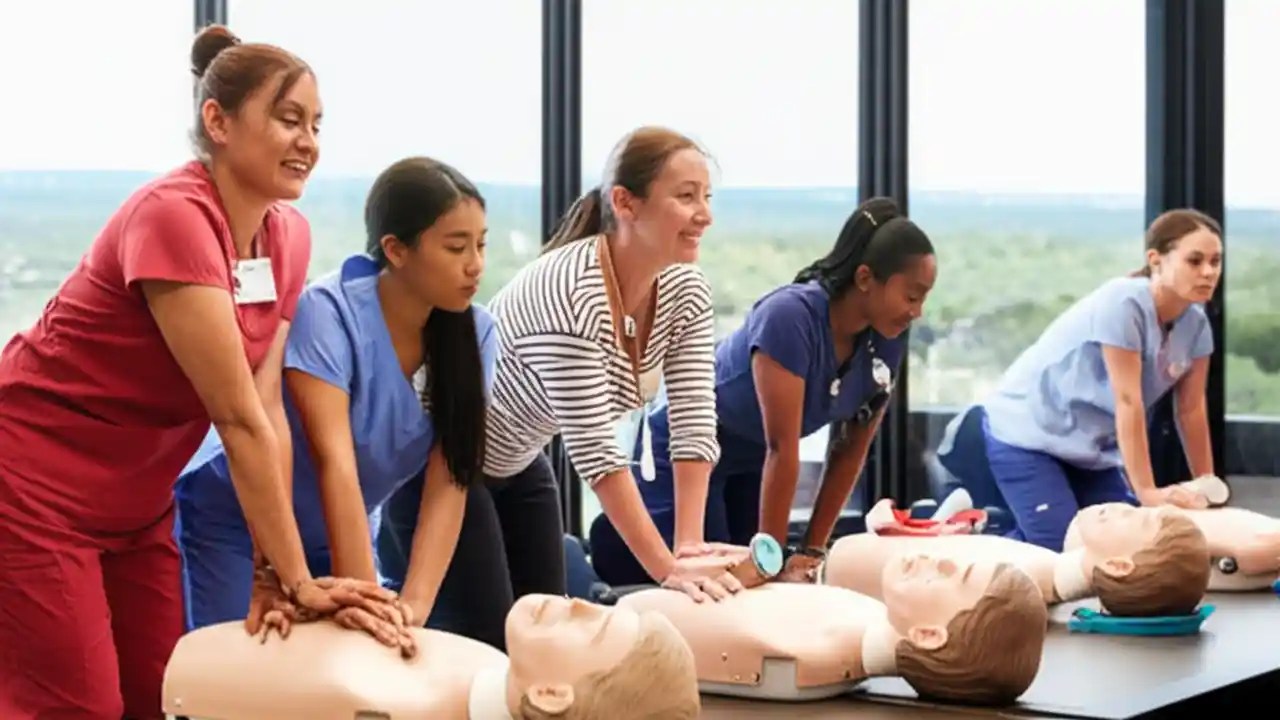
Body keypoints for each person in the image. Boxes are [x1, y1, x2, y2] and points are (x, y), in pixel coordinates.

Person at [0, 25, 393, 719]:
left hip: (136, 502)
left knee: (162, 694)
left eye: (316, 124)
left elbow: (265, 411)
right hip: (32, 486)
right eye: (289, 119)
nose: (308, 141)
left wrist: (272, 568)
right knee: (78, 705)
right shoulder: (173, 217)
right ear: (218, 121)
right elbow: (234, 419)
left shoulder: (288, 237)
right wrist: (301, 581)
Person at [379, 126, 741, 652]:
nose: (704, 214)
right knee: (489, 643)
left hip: (519, 462)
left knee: (546, 639)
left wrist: (689, 548)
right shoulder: (571, 290)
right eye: (686, 196)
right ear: (625, 203)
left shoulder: (685, 288)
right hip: (440, 464)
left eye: (707, 197)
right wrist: (667, 570)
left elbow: (694, 421)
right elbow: (598, 456)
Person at [176, 156, 494, 632]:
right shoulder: (329, 313)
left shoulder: (478, 335)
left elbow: (451, 477)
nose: (476, 265)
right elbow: (335, 463)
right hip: (239, 520)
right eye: (456, 247)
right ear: (396, 250)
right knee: (249, 664)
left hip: (337, 529)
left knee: (366, 654)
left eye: (481, 244)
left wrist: (412, 607)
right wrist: (369, 603)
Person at [589, 197, 937, 586]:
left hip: (750, 455)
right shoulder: (789, 317)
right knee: (712, 580)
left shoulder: (887, 338)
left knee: (749, 583)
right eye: (911, 296)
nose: (917, 312)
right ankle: (616, 544)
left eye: (924, 298)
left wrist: (810, 552)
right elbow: (782, 448)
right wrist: (773, 563)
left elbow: (850, 450)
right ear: (865, 279)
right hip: (687, 443)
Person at [935, 208, 1223, 551]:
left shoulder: (1196, 325)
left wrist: (1207, 488)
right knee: (1060, 549)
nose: (1208, 272)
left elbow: (1191, 410)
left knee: (1124, 545)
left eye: (1215, 261)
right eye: (1195, 261)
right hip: (1029, 435)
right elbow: (1128, 401)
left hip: (1089, 451)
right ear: (1155, 260)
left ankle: (990, 521)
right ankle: (962, 530)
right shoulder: (1125, 302)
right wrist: (1147, 492)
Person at [161, 593, 700, 720]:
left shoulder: (380, 704)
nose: (578, 602)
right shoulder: (483, 662)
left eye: (591, 626)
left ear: (550, 694)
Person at [620, 556, 1047, 706]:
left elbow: (636, 616)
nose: (935, 559)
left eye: (950, 575)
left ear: (928, 635)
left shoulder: (803, 653)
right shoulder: (861, 611)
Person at [827, 499, 1211, 617]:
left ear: (1118, 565)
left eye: (1135, 518)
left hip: (824, 575)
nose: (1124, 507)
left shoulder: (1017, 580)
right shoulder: (1039, 573)